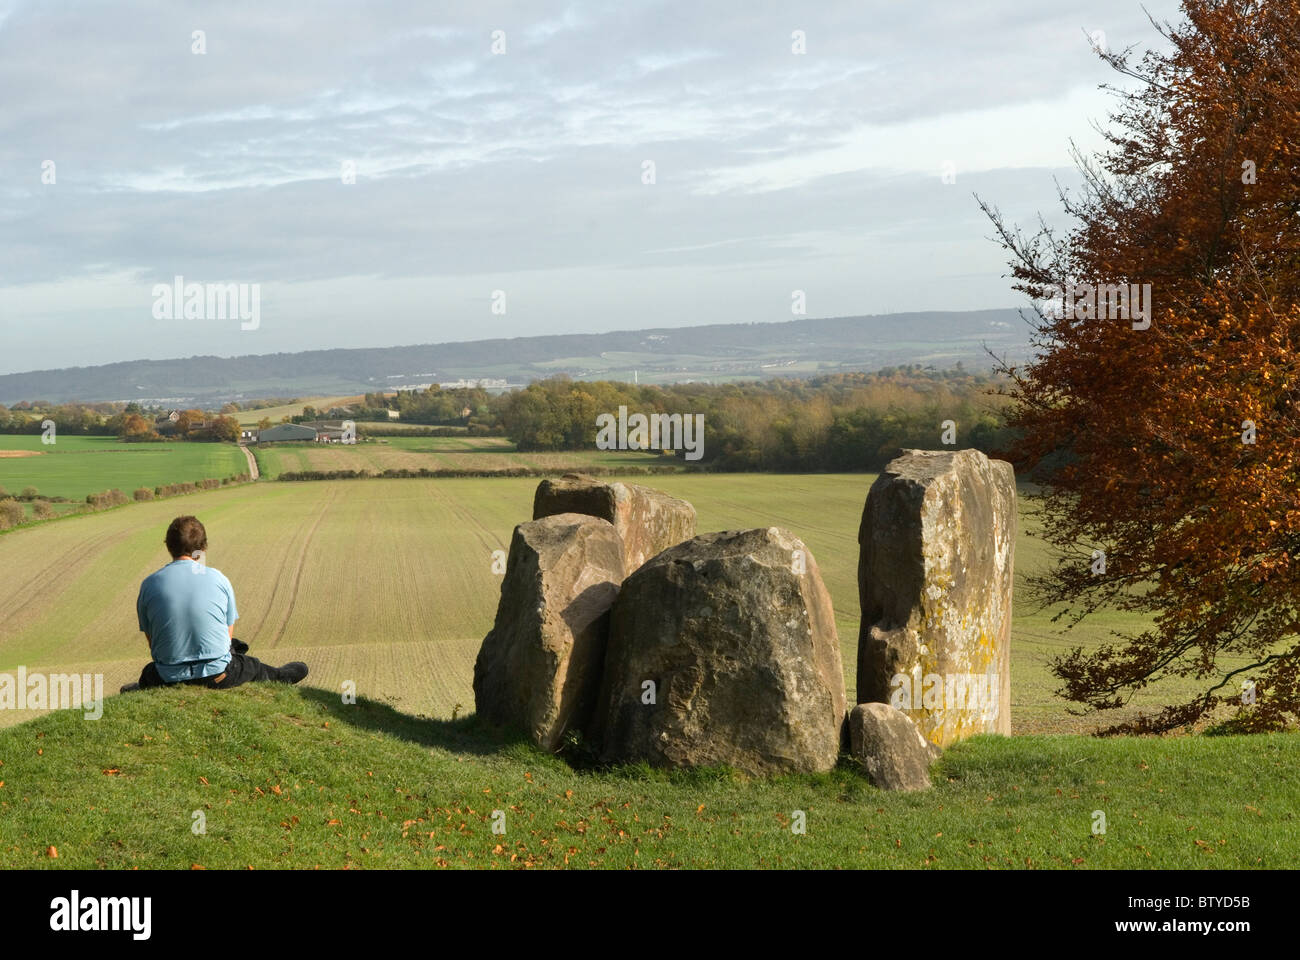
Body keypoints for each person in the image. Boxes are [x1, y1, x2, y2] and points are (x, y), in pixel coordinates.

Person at [122, 515, 308, 693]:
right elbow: (226, 639)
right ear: (203, 548)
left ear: (169, 546)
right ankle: (282, 676)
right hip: (217, 676)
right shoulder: (218, 579)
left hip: (167, 677)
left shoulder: (149, 584)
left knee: (150, 672)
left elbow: (152, 641)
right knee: (251, 665)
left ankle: (143, 687)